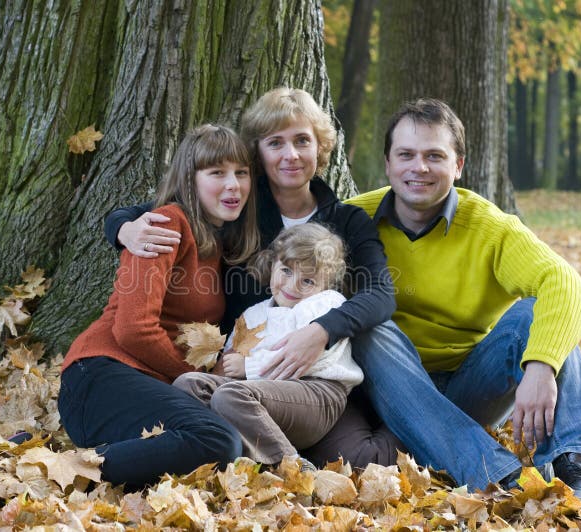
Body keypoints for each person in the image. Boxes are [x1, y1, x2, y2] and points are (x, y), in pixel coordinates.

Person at [335, 98, 581, 511]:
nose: (419, 167)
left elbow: (564, 282)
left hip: (470, 384)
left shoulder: (488, 227)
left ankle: (575, 467)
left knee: (532, 314)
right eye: (406, 155)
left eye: (435, 155)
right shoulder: (351, 219)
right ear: (387, 163)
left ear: (458, 165)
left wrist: (541, 367)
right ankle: (500, 475)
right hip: (391, 390)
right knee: (369, 325)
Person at [104, 87, 403, 465]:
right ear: (258, 153)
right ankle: (260, 459)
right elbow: (154, 208)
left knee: (360, 456)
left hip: (312, 375)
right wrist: (123, 229)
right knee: (201, 398)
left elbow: (381, 294)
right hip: (243, 377)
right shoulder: (240, 203)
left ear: (320, 147)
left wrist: (321, 330)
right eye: (275, 143)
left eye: (302, 141)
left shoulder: (346, 221)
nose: (290, 155)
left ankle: (406, 428)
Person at [58, 124, 260, 490]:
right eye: (217, 173)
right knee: (218, 440)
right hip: (101, 375)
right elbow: (134, 328)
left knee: (225, 442)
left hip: (147, 386)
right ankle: (61, 471)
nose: (234, 184)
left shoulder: (219, 243)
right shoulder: (165, 225)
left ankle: (95, 461)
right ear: (189, 178)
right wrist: (194, 376)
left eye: (241, 173)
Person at [173, 223, 363, 470]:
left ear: (325, 284)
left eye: (307, 280)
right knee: (189, 384)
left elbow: (299, 361)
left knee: (231, 395)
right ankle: (215, 458)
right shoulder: (254, 314)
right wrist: (224, 368)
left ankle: (294, 469)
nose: (293, 286)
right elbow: (230, 362)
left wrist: (247, 366)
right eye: (286, 270)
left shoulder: (326, 304)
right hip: (256, 400)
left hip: (316, 394)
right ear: (272, 263)